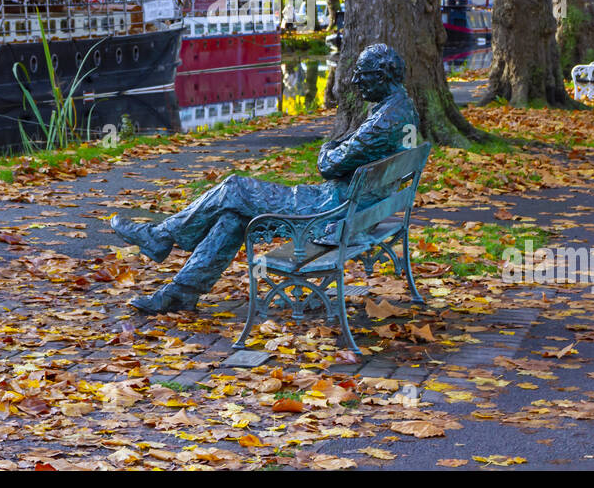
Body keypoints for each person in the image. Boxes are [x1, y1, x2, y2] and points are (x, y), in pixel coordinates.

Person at [110, 43, 419, 313]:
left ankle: (162, 237)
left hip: (330, 211)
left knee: (234, 187)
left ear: (381, 76)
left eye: (361, 75)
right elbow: (346, 156)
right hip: (356, 208)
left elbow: (328, 164)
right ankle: (179, 293)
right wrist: (337, 151)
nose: (354, 81)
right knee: (232, 216)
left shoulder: (386, 120)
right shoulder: (398, 107)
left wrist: (327, 148)